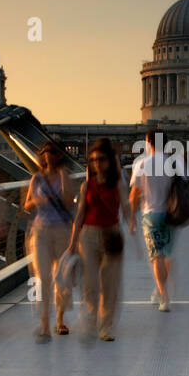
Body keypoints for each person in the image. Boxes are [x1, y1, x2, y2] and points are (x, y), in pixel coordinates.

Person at [67, 137, 133, 341]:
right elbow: (80, 214)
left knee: (110, 283)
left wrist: (131, 222)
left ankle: (106, 326)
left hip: (111, 234)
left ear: (110, 161)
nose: (97, 163)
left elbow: (126, 206)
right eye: (93, 160)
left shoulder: (118, 184)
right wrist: (72, 243)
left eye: (101, 159)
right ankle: (91, 318)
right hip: (88, 235)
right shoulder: (87, 185)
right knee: (90, 283)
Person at [23, 140, 77, 341]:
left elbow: (68, 203)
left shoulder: (65, 176)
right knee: (43, 276)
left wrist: (63, 177)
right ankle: (45, 321)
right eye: (46, 151)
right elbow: (27, 205)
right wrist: (38, 200)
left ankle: (60, 319)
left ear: (59, 155)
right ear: (42, 155)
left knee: (61, 277)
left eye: (53, 151)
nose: (49, 155)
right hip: (41, 231)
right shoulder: (37, 178)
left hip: (62, 229)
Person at [129, 124, 176, 311]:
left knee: (157, 257)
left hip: (151, 214)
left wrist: (132, 217)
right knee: (166, 255)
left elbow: (134, 194)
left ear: (149, 142)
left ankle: (164, 297)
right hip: (170, 214)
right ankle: (159, 289)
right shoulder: (174, 163)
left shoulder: (142, 164)